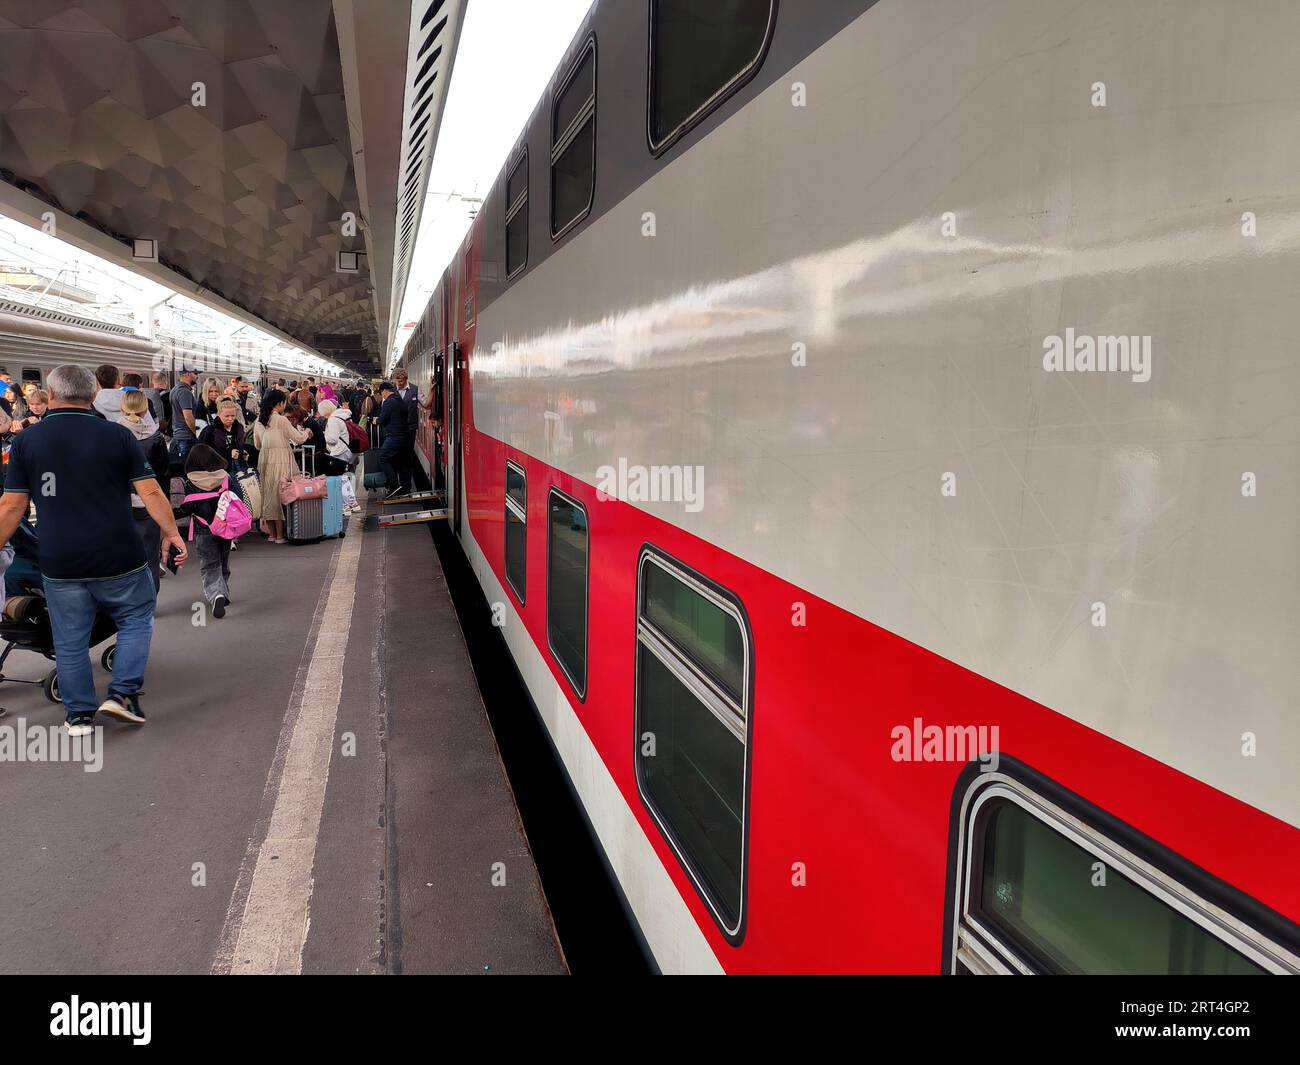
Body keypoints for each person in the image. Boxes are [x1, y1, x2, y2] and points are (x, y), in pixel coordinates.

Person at [0, 364, 187, 735]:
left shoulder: (27, 442)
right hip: (119, 554)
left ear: (50, 396)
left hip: (60, 560)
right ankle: (122, 695)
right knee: (135, 617)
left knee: (69, 638)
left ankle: (79, 716)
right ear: (92, 395)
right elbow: (149, 491)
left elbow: (12, 506)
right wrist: (172, 534)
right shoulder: (117, 436)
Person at [121, 390, 170, 593]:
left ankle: (127, 598)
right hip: (149, 501)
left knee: (124, 554)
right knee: (150, 554)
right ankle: (150, 598)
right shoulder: (156, 437)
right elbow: (164, 473)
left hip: (121, 502)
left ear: (123, 407)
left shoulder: (114, 433)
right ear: (145, 408)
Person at [180, 444, 236, 619]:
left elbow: (188, 507)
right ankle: (223, 592)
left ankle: (216, 594)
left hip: (203, 529)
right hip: (225, 528)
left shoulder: (191, 482)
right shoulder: (225, 478)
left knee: (210, 565)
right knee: (223, 561)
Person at [253, 388, 309, 544]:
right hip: (281, 459)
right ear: (280, 403)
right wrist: (307, 432)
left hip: (264, 459)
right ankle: (280, 536)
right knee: (281, 494)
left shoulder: (259, 420)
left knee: (268, 495)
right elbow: (298, 439)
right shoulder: (282, 420)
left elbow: (257, 444)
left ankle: (271, 535)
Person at [318, 399, 361, 511]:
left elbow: (332, 439)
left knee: (339, 478)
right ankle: (352, 503)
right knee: (343, 477)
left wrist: (323, 435)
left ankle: (347, 505)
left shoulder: (333, 420)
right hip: (348, 449)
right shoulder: (343, 415)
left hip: (340, 451)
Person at [376, 381, 410, 499]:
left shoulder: (388, 402)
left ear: (385, 391)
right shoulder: (400, 400)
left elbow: (382, 420)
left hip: (394, 436)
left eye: (382, 393)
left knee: (383, 458)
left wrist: (376, 421)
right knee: (401, 461)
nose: (382, 396)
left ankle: (394, 484)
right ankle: (405, 487)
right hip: (405, 436)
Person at [169, 368, 200, 466]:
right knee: (189, 467)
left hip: (180, 434)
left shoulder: (175, 389)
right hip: (187, 436)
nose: (197, 376)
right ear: (187, 374)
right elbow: (188, 417)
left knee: (183, 465)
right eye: (195, 373)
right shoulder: (184, 392)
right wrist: (198, 433)